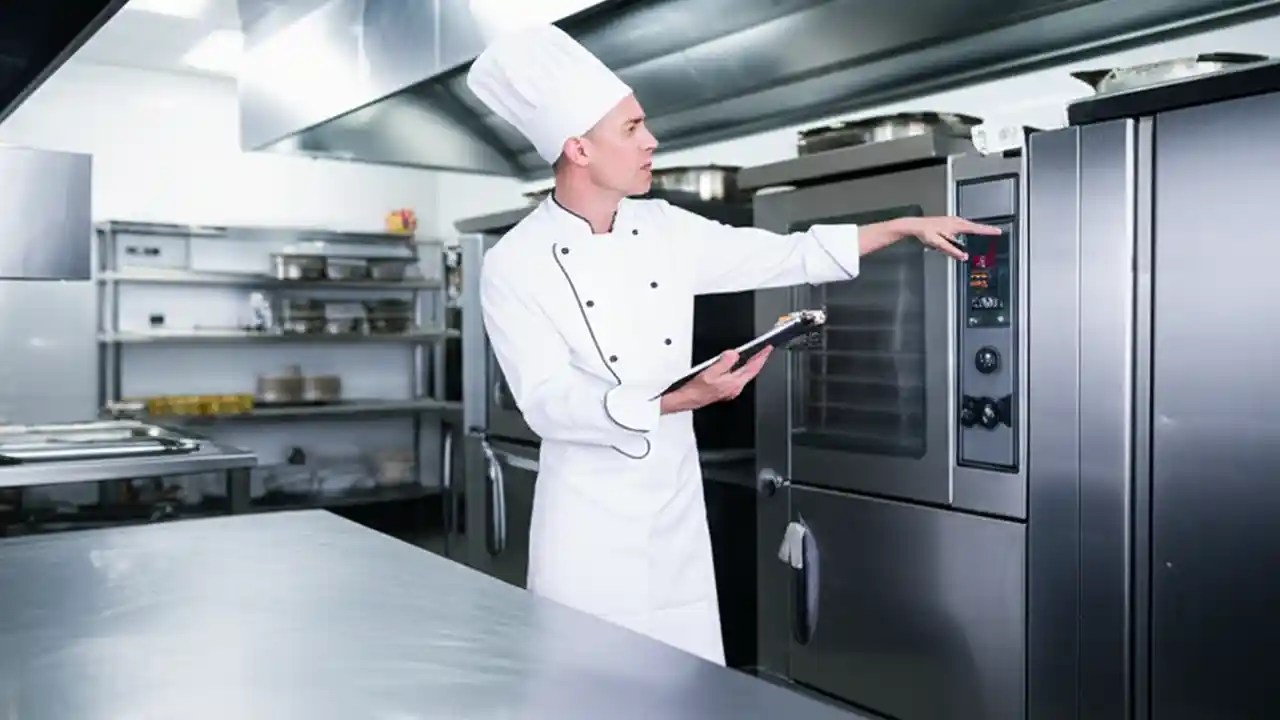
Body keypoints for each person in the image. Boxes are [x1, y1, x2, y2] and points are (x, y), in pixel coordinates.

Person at [467, 23, 999, 666]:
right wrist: (676, 399)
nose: (652, 141)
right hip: (586, 527)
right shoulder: (516, 261)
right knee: (585, 687)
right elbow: (546, 402)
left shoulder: (662, 228)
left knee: (684, 684)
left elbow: (783, 254)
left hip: (674, 514)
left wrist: (899, 227)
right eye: (632, 128)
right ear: (578, 148)